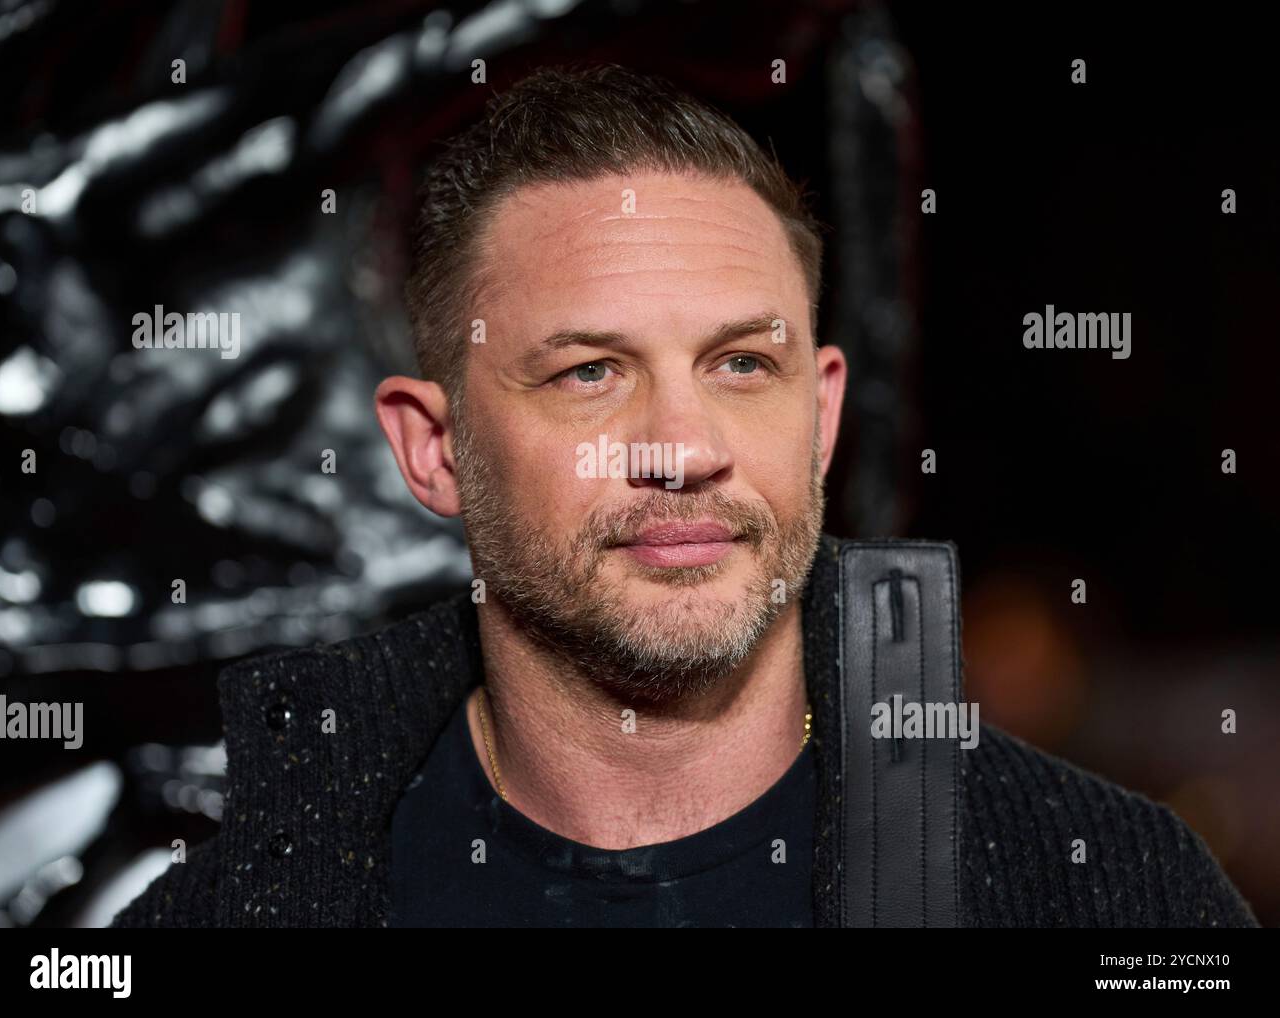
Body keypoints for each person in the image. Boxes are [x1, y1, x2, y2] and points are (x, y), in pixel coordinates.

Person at [111, 63, 1257, 928]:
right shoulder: (228, 913)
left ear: (818, 417)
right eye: (590, 373)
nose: (681, 447)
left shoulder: (1113, 895)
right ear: (434, 448)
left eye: (740, 365)